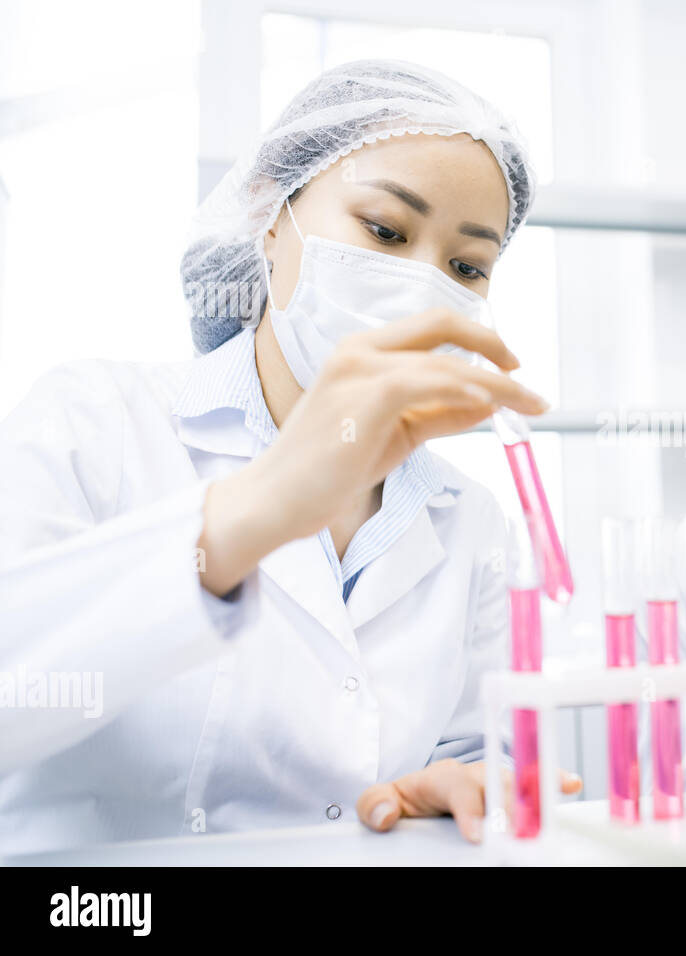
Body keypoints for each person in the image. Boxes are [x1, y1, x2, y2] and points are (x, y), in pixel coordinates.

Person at [0, 60, 578, 857]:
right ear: (271, 213)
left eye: (466, 266)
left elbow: (471, 752)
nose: (420, 286)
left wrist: (457, 788)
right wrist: (258, 506)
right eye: (384, 230)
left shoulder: (466, 518)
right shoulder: (94, 421)